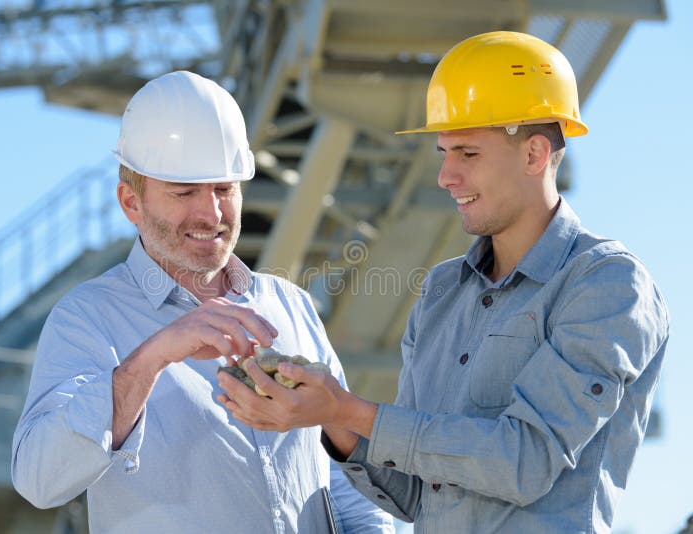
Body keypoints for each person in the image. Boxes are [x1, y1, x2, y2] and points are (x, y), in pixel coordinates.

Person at [218, 31, 670, 533]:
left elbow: (523, 463)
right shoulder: (441, 293)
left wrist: (351, 408)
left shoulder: (607, 284)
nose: (446, 175)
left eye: (468, 154)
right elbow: (418, 493)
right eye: (443, 152)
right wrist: (328, 417)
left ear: (534, 155)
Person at [11, 70, 394, 533]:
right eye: (185, 192)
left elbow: (343, 480)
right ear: (131, 203)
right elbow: (39, 480)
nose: (211, 214)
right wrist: (155, 355)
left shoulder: (291, 306)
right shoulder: (87, 319)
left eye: (223, 189)